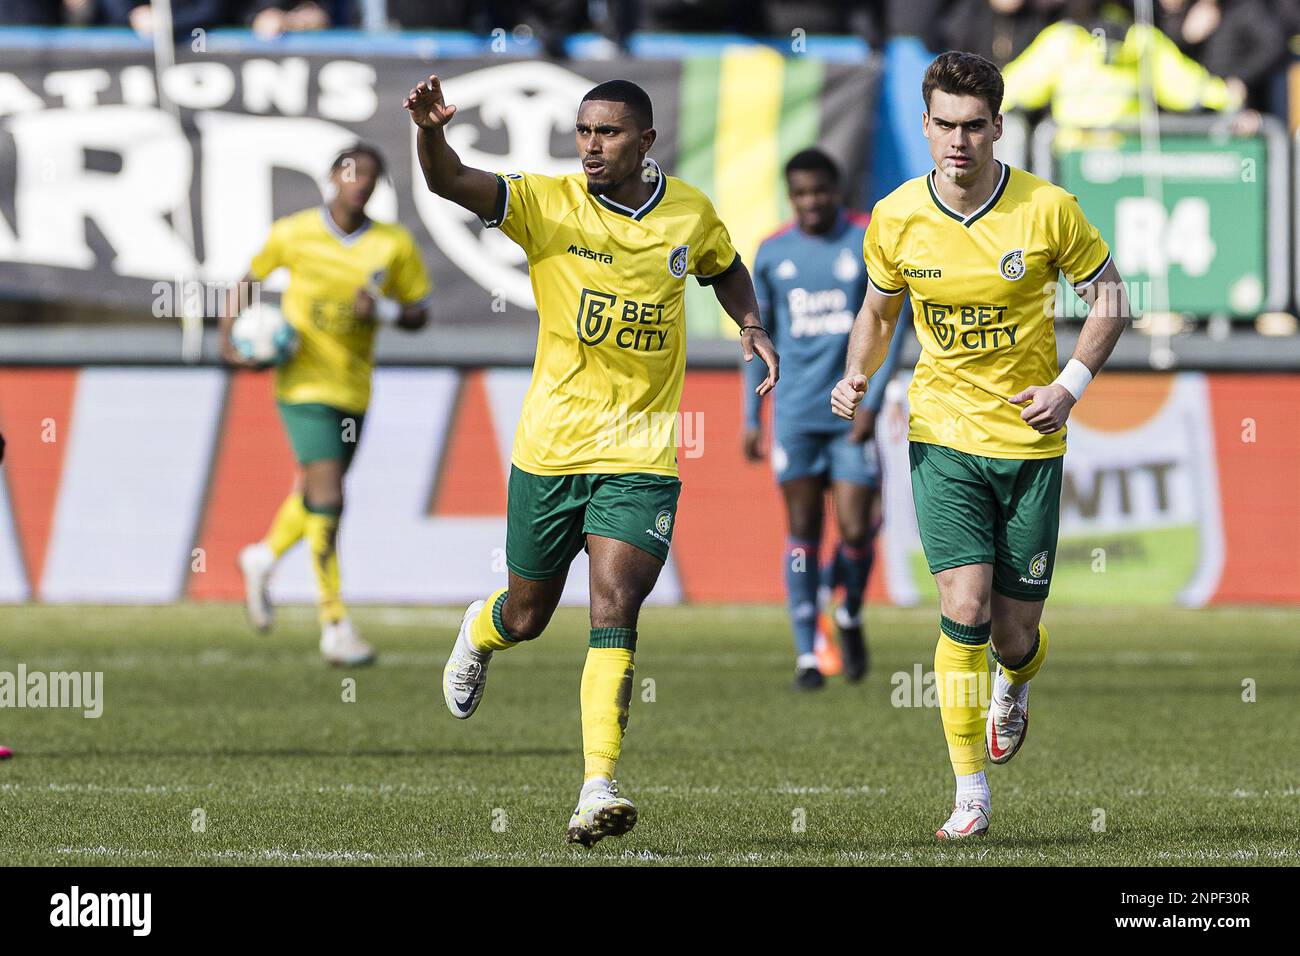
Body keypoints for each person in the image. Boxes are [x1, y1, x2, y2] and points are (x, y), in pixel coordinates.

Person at [404, 75, 779, 847]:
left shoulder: (689, 212)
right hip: (550, 450)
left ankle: (597, 784)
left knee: (616, 603)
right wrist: (432, 132)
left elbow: (723, 265)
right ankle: (482, 629)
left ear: (645, 141)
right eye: (582, 131)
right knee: (531, 615)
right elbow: (446, 179)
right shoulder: (546, 205)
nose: (590, 146)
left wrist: (749, 322)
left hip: (641, 452)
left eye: (607, 133)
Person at [831, 51, 1128, 839]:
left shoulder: (1047, 208)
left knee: (1014, 632)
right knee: (961, 606)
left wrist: (1068, 387)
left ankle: (1015, 682)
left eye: (973, 127)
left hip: (1030, 442)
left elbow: (1112, 297)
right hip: (941, 433)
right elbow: (878, 311)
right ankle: (970, 794)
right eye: (943, 126)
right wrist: (855, 374)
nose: (957, 142)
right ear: (924, 125)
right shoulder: (894, 216)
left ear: (997, 126)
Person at [222, 144, 431, 667]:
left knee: (317, 495)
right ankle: (334, 623)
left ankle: (262, 555)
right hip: (302, 387)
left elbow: (418, 313)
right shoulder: (294, 232)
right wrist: (230, 341)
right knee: (331, 497)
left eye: (369, 176)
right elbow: (246, 281)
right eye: (349, 172)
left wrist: (380, 309)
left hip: (354, 388)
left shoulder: (391, 245)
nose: (358, 182)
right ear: (331, 179)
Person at [743, 147, 908, 690]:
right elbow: (758, 339)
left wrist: (874, 399)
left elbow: (889, 323)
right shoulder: (771, 253)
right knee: (803, 531)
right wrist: (752, 416)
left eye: (820, 191)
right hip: (793, 415)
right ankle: (808, 654)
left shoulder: (865, 239)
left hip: (850, 413)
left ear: (837, 192)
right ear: (791, 197)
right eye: (801, 193)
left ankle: (851, 610)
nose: (812, 202)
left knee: (859, 528)